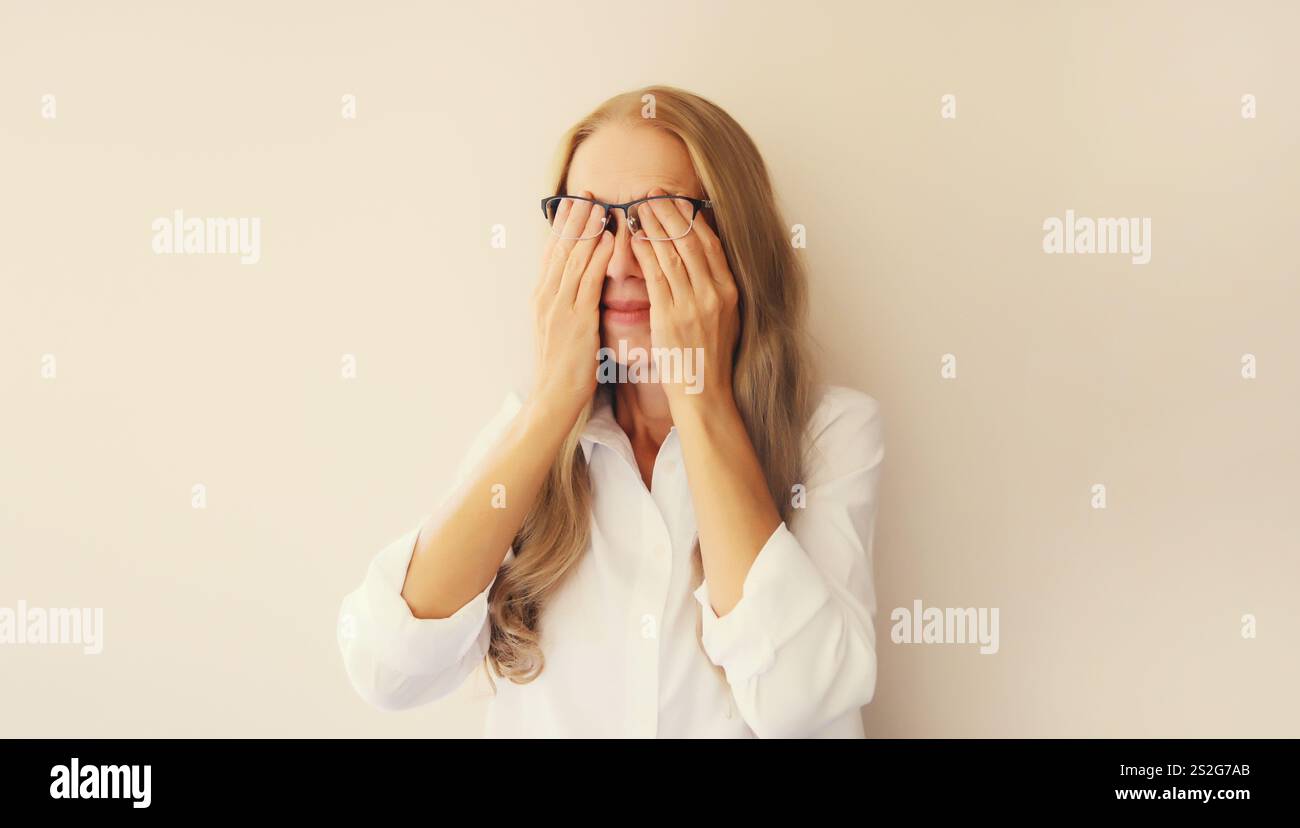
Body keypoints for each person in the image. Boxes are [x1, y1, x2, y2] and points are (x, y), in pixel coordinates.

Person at [337, 85, 885, 738]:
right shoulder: (528, 432)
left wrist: (700, 395)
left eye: (659, 219)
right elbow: (386, 668)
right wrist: (549, 405)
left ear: (731, 237)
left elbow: (802, 701)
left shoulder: (832, 432)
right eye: (590, 222)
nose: (621, 262)